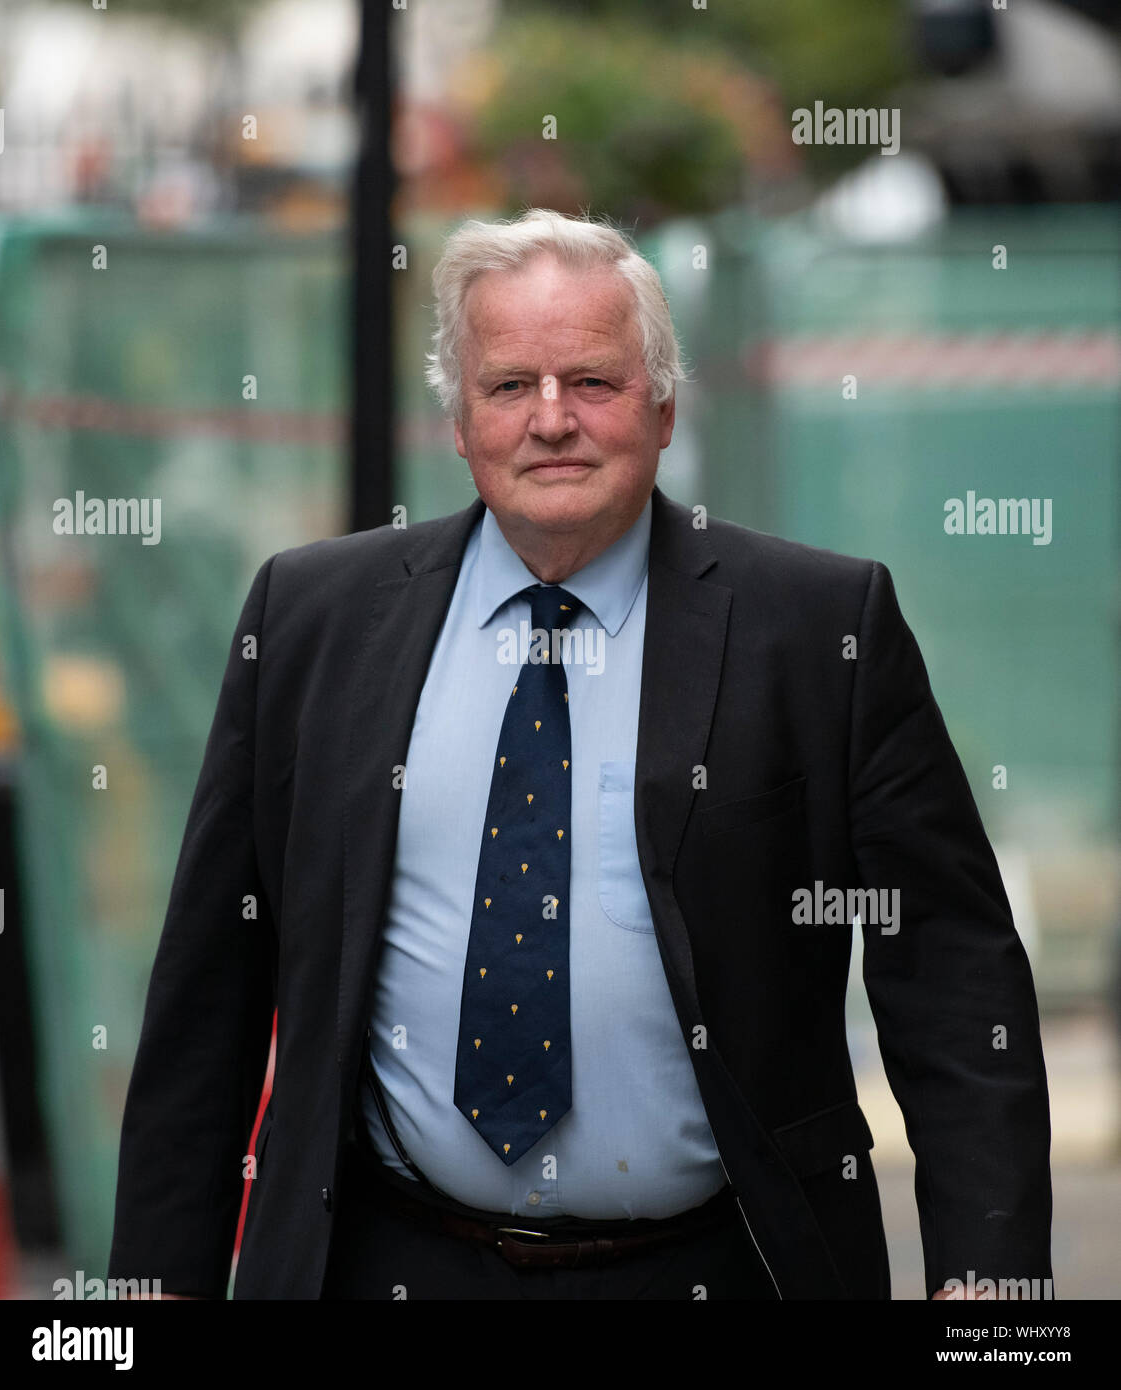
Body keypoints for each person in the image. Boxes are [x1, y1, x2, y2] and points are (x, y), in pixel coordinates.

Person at [108, 208, 1052, 1301]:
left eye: (590, 383)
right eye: (509, 385)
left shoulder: (817, 629)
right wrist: (151, 1289)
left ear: (661, 406)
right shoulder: (313, 617)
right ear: (458, 420)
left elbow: (949, 972)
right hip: (384, 1260)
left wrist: (988, 1287)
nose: (549, 420)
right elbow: (211, 986)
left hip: (716, 1266)